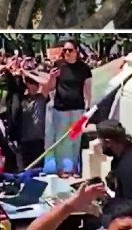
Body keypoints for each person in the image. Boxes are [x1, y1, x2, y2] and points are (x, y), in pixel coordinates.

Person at [44, 39, 92, 174]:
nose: (66, 53)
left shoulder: (84, 68)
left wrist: (88, 107)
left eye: (70, 50)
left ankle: (73, 168)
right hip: (60, 109)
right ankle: (62, 169)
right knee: (61, 139)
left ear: (76, 51)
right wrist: (52, 77)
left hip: (77, 108)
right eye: (64, 50)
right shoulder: (58, 65)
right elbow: (51, 87)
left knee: (75, 140)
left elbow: (88, 88)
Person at [96, 120, 132, 201]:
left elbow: (130, 202)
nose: (99, 145)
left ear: (108, 142)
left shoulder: (131, 166)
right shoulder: (122, 155)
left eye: (100, 141)